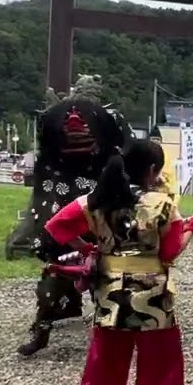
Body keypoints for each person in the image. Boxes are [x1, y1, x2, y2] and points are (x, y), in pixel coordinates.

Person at [42, 138, 193, 385]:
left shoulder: (95, 200)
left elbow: (55, 228)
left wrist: (89, 249)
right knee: (160, 374)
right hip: (153, 302)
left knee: (101, 376)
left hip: (109, 299)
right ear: (153, 170)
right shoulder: (162, 204)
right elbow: (169, 253)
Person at [17, 91, 128, 357]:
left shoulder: (114, 162)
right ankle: (41, 330)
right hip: (69, 237)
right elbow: (52, 216)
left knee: (109, 287)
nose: (76, 126)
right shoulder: (52, 166)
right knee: (52, 281)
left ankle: (112, 336)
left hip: (105, 237)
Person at [147, 126, 179, 202]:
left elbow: (169, 173)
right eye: (153, 139)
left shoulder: (166, 155)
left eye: (158, 139)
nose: (155, 141)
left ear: (161, 141)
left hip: (163, 189)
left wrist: (161, 178)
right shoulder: (145, 153)